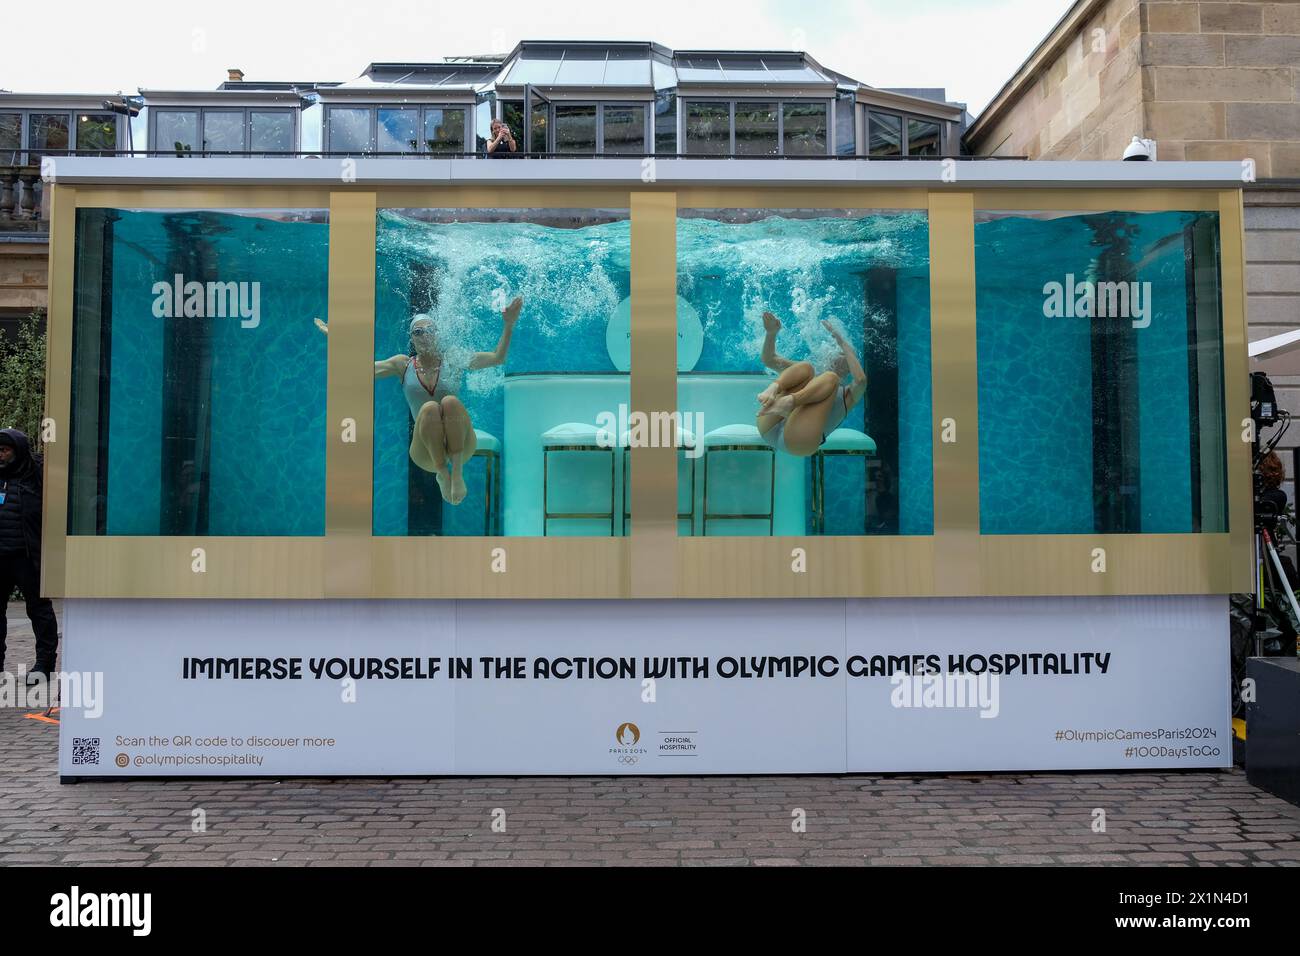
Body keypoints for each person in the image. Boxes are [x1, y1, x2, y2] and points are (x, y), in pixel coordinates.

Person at [316, 295, 523, 505]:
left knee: (450, 401)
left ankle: (458, 473)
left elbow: (497, 357)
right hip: (426, 452)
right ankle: (442, 474)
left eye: (430, 331)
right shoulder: (402, 365)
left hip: (461, 443)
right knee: (430, 408)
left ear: (437, 334)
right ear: (412, 338)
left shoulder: (452, 357)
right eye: (418, 332)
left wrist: (509, 324)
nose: (424, 336)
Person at [754, 311, 868, 457]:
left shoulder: (848, 395)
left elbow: (861, 380)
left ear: (849, 368)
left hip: (798, 442)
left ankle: (791, 401)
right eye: (836, 352)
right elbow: (769, 360)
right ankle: (774, 387)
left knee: (831, 378)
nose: (836, 355)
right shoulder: (806, 376)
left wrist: (843, 343)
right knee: (806, 366)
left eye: (843, 355)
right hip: (770, 422)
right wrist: (771, 333)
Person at [0, 428, 58, 682]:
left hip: (28, 557)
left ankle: (44, 665)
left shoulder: (38, 475)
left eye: (5, 450)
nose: (0, 455)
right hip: (1, 558)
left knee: (39, 611)